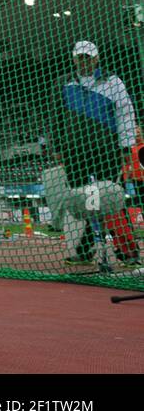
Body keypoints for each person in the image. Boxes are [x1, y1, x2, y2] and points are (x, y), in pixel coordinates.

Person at [52, 40, 140, 265]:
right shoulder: (64, 83)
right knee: (80, 204)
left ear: (97, 58)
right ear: (74, 59)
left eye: (88, 57)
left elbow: (126, 114)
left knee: (111, 201)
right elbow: (54, 118)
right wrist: (56, 148)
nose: (84, 61)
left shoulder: (113, 82)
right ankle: (83, 251)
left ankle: (128, 253)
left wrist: (125, 146)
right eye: (80, 57)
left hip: (106, 150)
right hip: (74, 153)